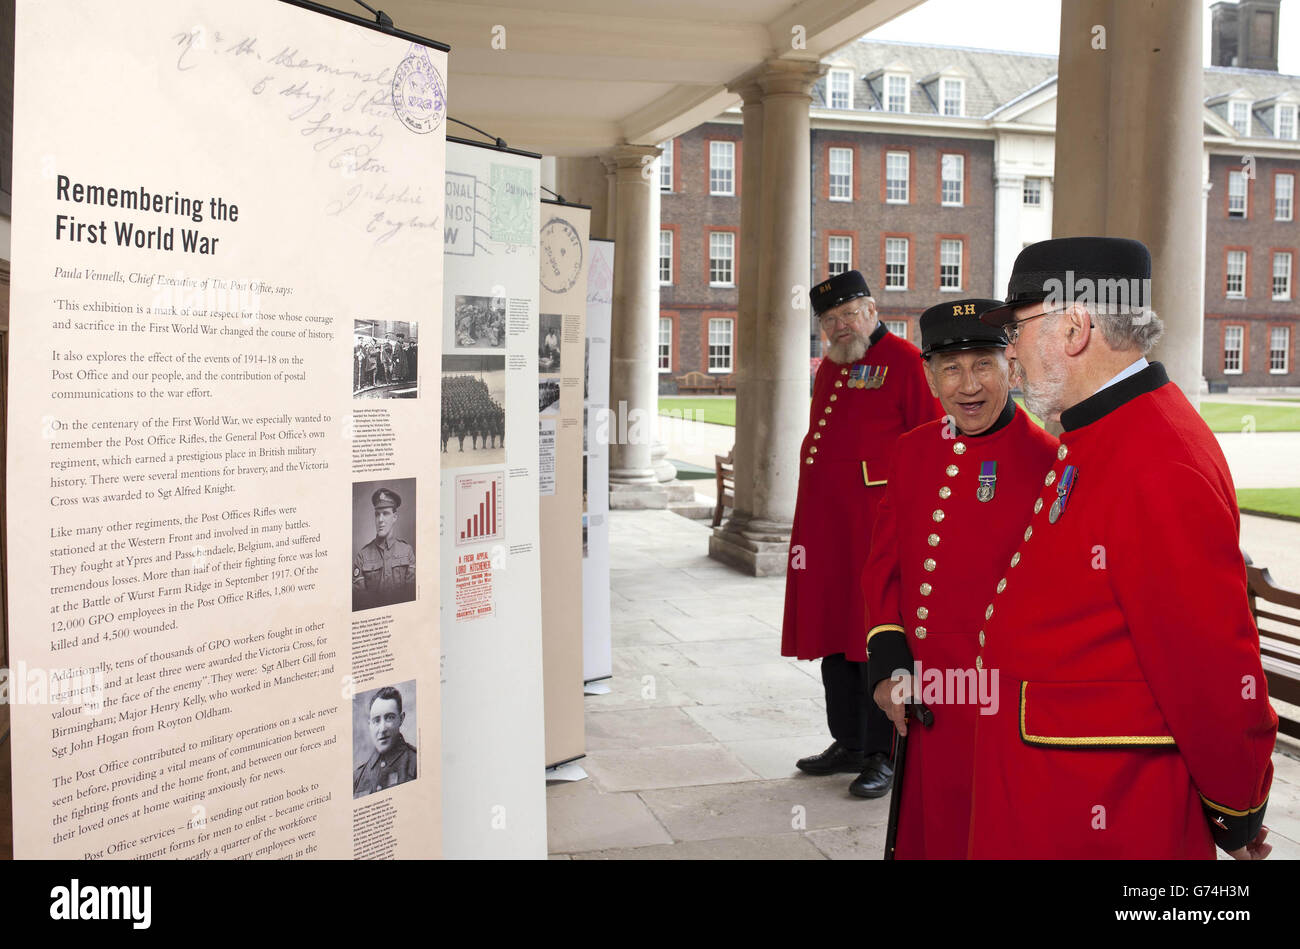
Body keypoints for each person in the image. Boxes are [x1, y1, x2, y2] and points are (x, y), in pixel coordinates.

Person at [967, 236, 1277, 859]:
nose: (1011, 352)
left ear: (1075, 326)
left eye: (1018, 328)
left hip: (1104, 806)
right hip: (1054, 783)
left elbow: (1208, 667)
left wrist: (1235, 810)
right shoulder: (1101, 429)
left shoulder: (1158, 458)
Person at [864, 298, 1059, 858]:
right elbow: (884, 569)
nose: (967, 385)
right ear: (929, 376)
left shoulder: (1050, 462)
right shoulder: (911, 452)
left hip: (1004, 704)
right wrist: (888, 666)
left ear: (1012, 370)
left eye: (983, 365)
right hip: (928, 702)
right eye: (951, 368)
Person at [783, 269, 943, 798]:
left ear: (872, 310)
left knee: (873, 637)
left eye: (849, 314)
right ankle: (849, 740)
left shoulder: (904, 362)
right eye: (830, 320)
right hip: (829, 531)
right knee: (835, 633)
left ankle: (884, 752)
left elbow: (930, 442)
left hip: (878, 528)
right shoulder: (833, 366)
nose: (840, 326)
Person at [352, 488, 416, 611]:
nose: (380, 520)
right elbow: (360, 602)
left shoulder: (407, 551)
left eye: (385, 513)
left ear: (395, 517)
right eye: (377, 514)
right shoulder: (362, 556)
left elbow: (411, 595)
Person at [353, 686, 418, 797]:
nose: (382, 728)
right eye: (376, 720)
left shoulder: (416, 761)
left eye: (389, 717)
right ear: (370, 724)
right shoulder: (358, 776)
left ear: (401, 719)